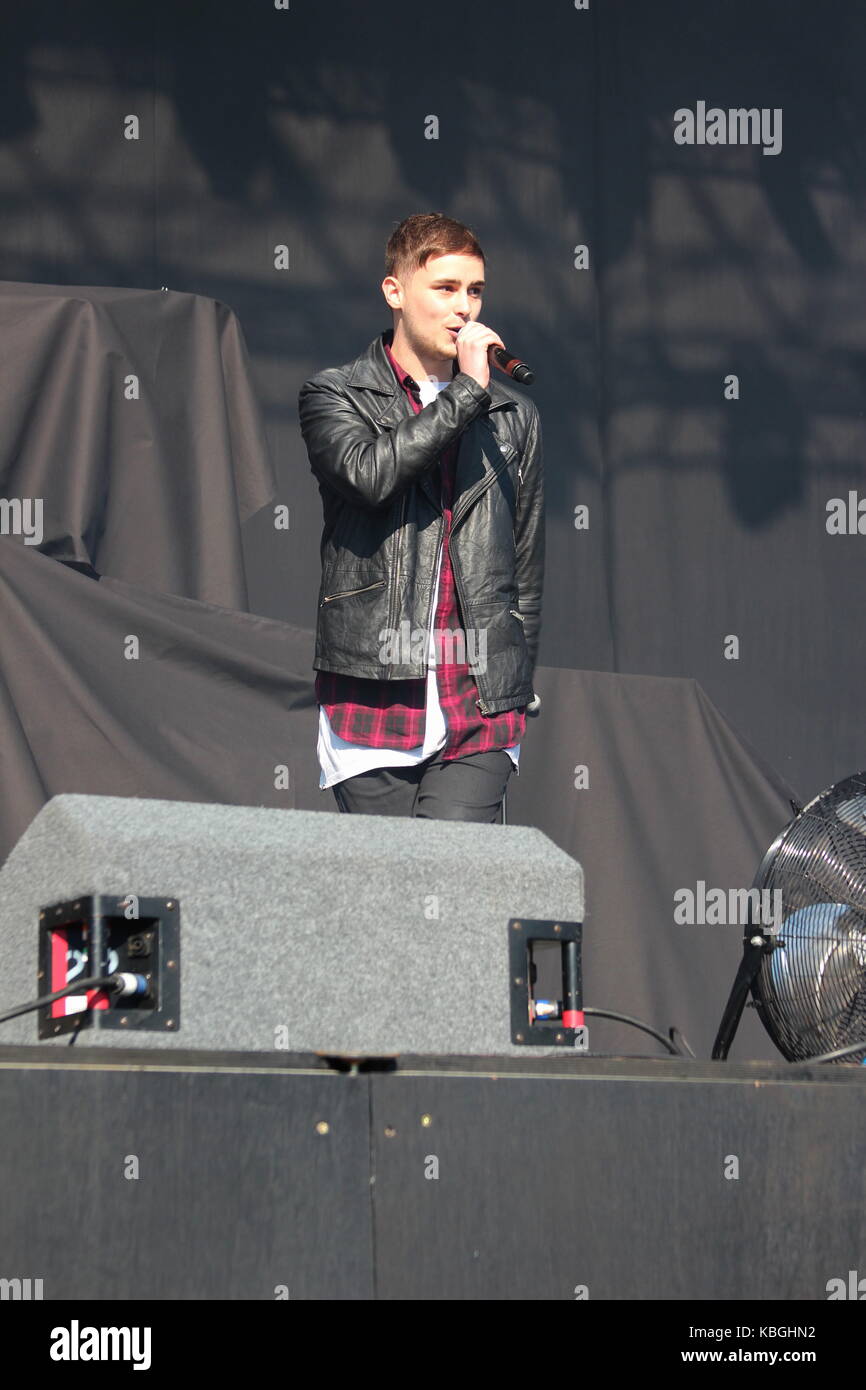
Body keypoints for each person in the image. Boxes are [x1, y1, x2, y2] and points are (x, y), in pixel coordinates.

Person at [298, 212, 544, 821]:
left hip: (478, 702)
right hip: (374, 692)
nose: (465, 308)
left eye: (475, 290)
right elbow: (369, 476)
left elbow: (525, 563)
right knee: (386, 901)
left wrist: (513, 683)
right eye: (445, 288)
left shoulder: (514, 417)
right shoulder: (336, 394)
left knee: (456, 890)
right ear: (395, 292)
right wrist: (466, 393)